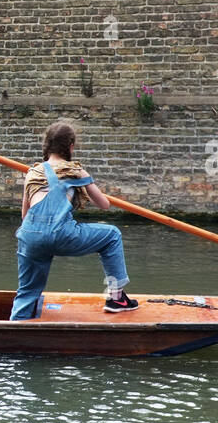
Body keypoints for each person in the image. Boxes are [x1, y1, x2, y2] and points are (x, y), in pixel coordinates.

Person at [11, 122, 138, 320]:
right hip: (60, 234)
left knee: (27, 291)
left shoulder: (33, 173)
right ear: (70, 146)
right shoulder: (75, 172)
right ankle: (117, 298)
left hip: (29, 235)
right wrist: (87, 182)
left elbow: (25, 216)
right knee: (112, 235)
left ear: (47, 145)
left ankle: (15, 327)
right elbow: (104, 205)